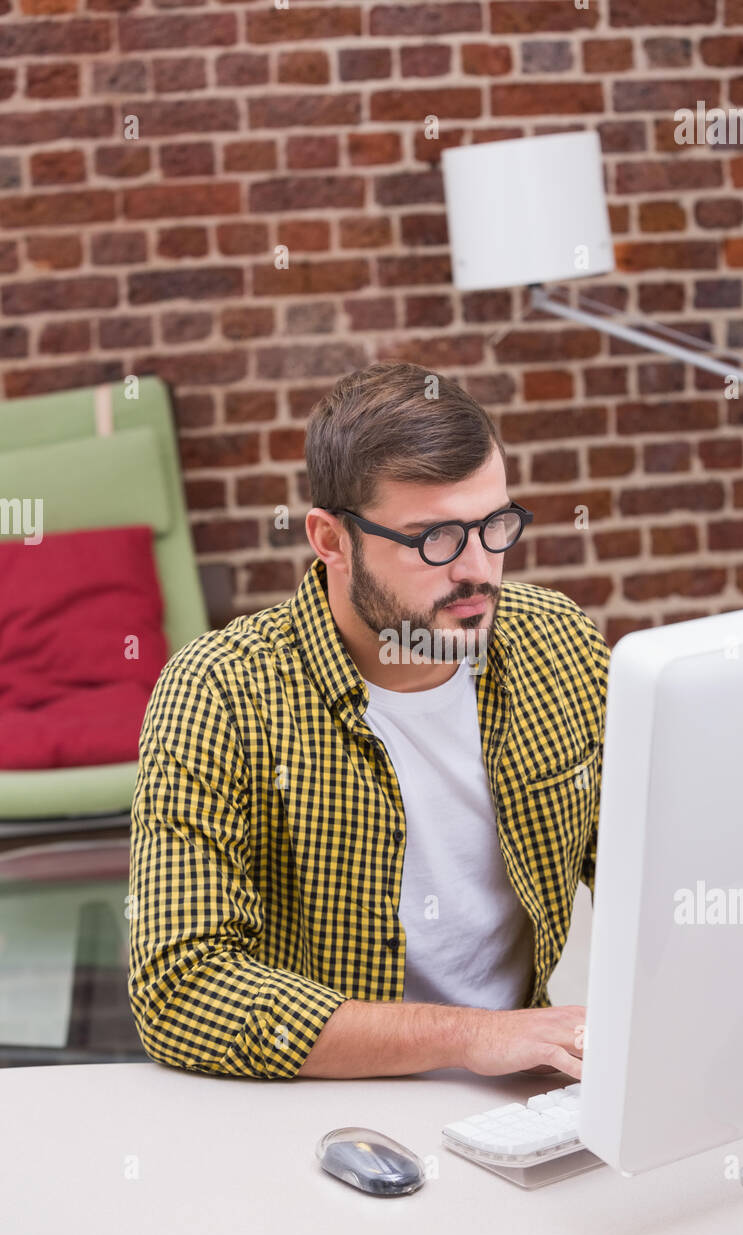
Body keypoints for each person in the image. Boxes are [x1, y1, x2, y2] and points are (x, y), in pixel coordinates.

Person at [128, 360, 609, 1082]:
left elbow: (654, 871)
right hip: (316, 1108)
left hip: (520, 1096)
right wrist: (470, 1037)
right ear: (330, 539)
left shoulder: (557, 644)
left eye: (495, 526)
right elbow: (180, 987)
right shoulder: (222, 691)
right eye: (435, 539)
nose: (478, 569)